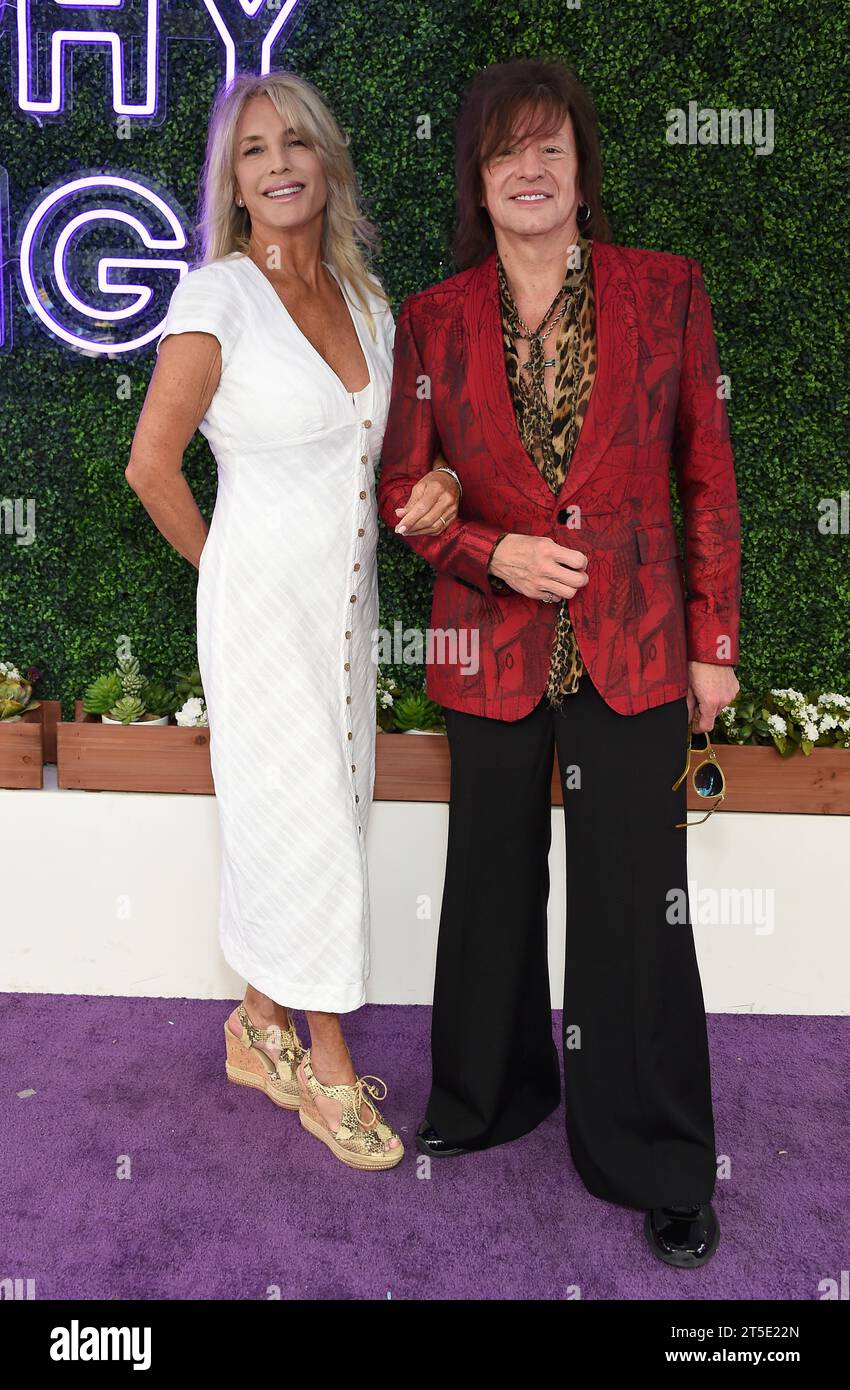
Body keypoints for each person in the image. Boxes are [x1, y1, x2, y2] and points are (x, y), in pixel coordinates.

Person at [377, 57, 741, 1263]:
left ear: (581, 173)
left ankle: (658, 1156)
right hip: (489, 645)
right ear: (476, 183)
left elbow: (705, 476)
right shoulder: (430, 318)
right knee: (487, 883)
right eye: (502, 153)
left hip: (636, 643)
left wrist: (715, 644)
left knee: (640, 903)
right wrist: (488, 550)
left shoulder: (668, 292)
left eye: (549, 150)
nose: (528, 172)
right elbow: (401, 493)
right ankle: (488, 1097)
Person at [126, 70, 457, 1171]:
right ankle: (323, 1062)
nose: (277, 164)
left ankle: (254, 1020)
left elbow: (392, 465)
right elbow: (152, 466)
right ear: (232, 180)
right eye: (253, 149)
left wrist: (438, 490)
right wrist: (230, 576)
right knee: (308, 818)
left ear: (326, 162)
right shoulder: (218, 297)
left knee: (325, 809)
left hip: (347, 613)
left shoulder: (368, 304)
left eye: (295, 143)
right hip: (261, 611)